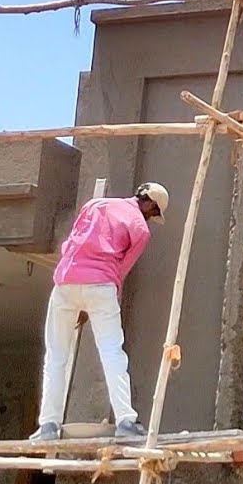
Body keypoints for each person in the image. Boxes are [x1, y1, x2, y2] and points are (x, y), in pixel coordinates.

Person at [29, 182, 169, 442]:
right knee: (112, 352)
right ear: (150, 204)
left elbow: (72, 243)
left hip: (65, 283)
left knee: (56, 356)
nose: (150, 218)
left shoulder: (95, 205)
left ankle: (48, 425)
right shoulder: (140, 229)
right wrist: (94, 303)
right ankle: (126, 420)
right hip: (102, 284)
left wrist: (78, 297)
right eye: (153, 212)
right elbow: (121, 270)